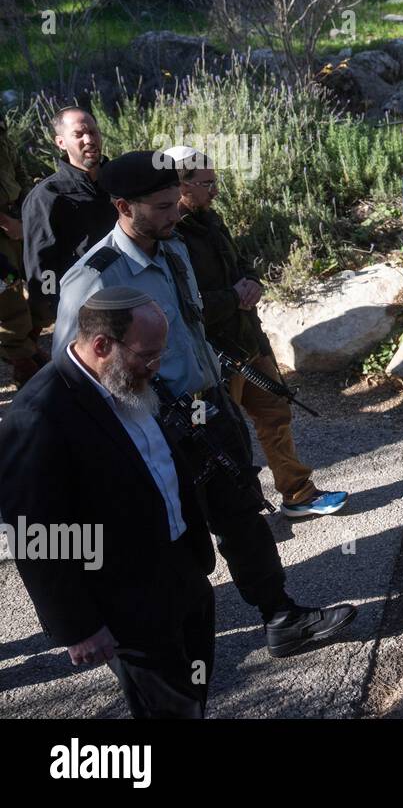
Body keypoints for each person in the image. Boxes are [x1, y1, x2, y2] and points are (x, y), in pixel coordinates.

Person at [53, 150, 356, 659]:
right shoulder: (96, 278)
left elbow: (192, 329)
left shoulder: (173, 251)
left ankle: (281, 616)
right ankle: (169, 646)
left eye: (177, 203)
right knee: (175, 538)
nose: (176, 214)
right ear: (124, 206)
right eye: (163, 207)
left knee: (242, 515)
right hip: (150, 426)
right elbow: (72, 373)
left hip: (209, 408)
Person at [0, 288, 217, 718]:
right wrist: (79, 627)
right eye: (148, 356)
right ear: (102, 346)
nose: (155, 369)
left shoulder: (126, 378)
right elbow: (35, 534)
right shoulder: (38, 415)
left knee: (194, 690)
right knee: (169, 710)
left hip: (182, 571)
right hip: (126, 601)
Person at [167, 146, 346, 519]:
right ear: (181, 186)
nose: (215, 191)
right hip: (212, 356)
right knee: (219, 434)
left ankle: (299, 494)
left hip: (249, 341)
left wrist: (251, 281)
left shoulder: (210, 219)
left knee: (275, 415)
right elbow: (183, 303)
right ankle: (237, 511)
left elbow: (241, 262)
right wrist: (233, 297)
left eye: (216, 181)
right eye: (207, 183)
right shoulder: (169, 236)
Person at [21, 107, 117, 328]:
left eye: (93, 132)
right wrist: (54, 306)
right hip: (85, 306)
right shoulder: (47, 197)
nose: (89, 139)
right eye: (79, 134)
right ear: (61, 142)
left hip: (135, 291)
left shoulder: (119, 181)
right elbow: (40, 262)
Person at [1, 115, 46, 386]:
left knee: (34, 283)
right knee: (7, 291)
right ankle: (22, 361)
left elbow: (18, 170)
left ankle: (26, 348)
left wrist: (25, 216)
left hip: (16, 223)